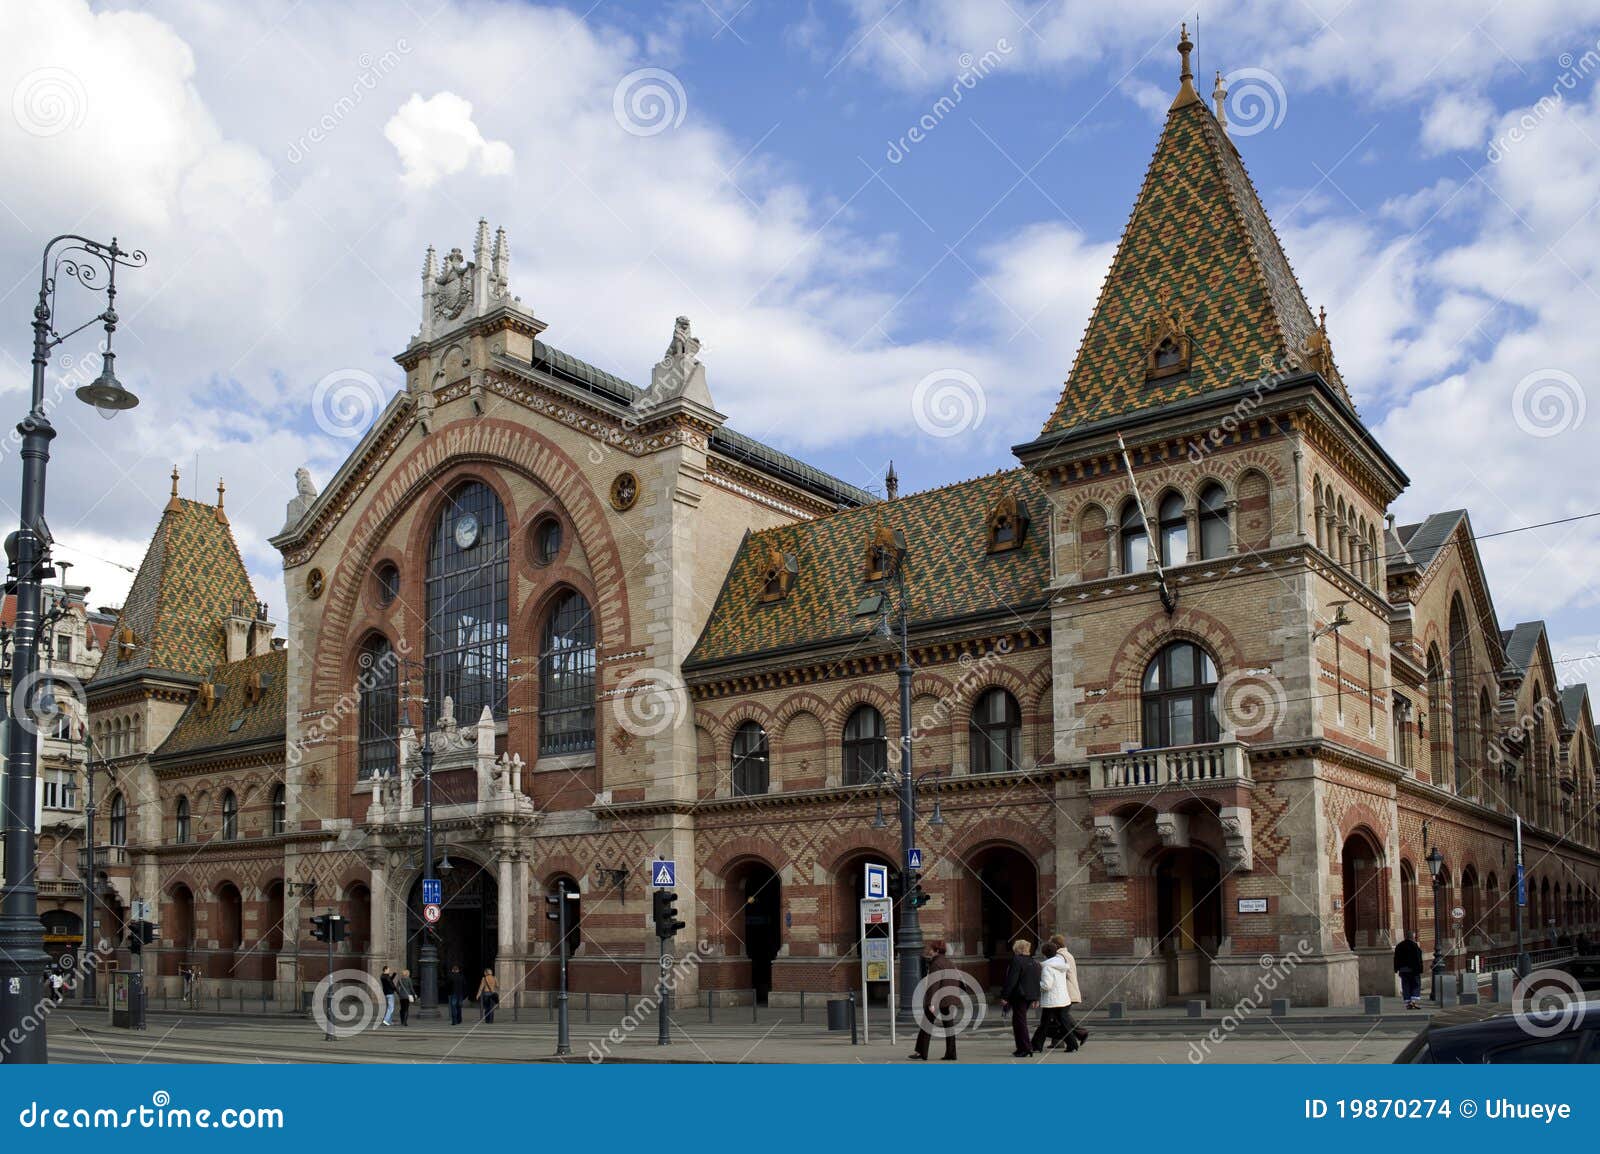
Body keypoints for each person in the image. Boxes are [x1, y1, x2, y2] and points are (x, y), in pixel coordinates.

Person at [909, 945, 961, 1061]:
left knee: (926, 1025)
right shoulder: (950, 963)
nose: (930, 952)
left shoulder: (936, 964)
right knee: (949, 1027)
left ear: (937, 951)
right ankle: (951, 1053)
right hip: (949, 999)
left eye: (931, 950)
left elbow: (934, 985)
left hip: (938, 1000)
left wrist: (931, 1003)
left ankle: (922, 1052)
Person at [998, 939, 1041, 1057]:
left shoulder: (1016, 960)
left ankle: (1026, 1048)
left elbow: (1011, 980)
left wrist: (1004, 996)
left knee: (1020, 1022)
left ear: (1017, 949)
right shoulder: (1033, 962)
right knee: (1018, 1021)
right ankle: (1021, 1047)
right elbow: (1036, 981)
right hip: (1029, 996)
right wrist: (1036, 998)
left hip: (1019, 996)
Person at [1032, 942, 1071, 1052]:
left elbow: (1047, 985)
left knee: (1044, 1025)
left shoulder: (1047, 967)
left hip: (1051, 1000)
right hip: (1062, 998)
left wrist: (1037, 985)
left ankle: (1036, 1045)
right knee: (1063, 1024)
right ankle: (1072, 1044)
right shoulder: (1061, 964)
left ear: (1044, 953)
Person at [1394, 930, 1424, 1010]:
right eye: (1414, 937)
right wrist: (1420, 969)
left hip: (1403, 969)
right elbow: (1418, 959)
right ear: (1412, 937)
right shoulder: (1414, 946)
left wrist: (1396, 968)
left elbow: (1396, 958)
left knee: (1406, 985)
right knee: (1415, 984)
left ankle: (1408, 1003)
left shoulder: (1399, 946)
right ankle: (1413, 1001)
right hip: (1413, 969)